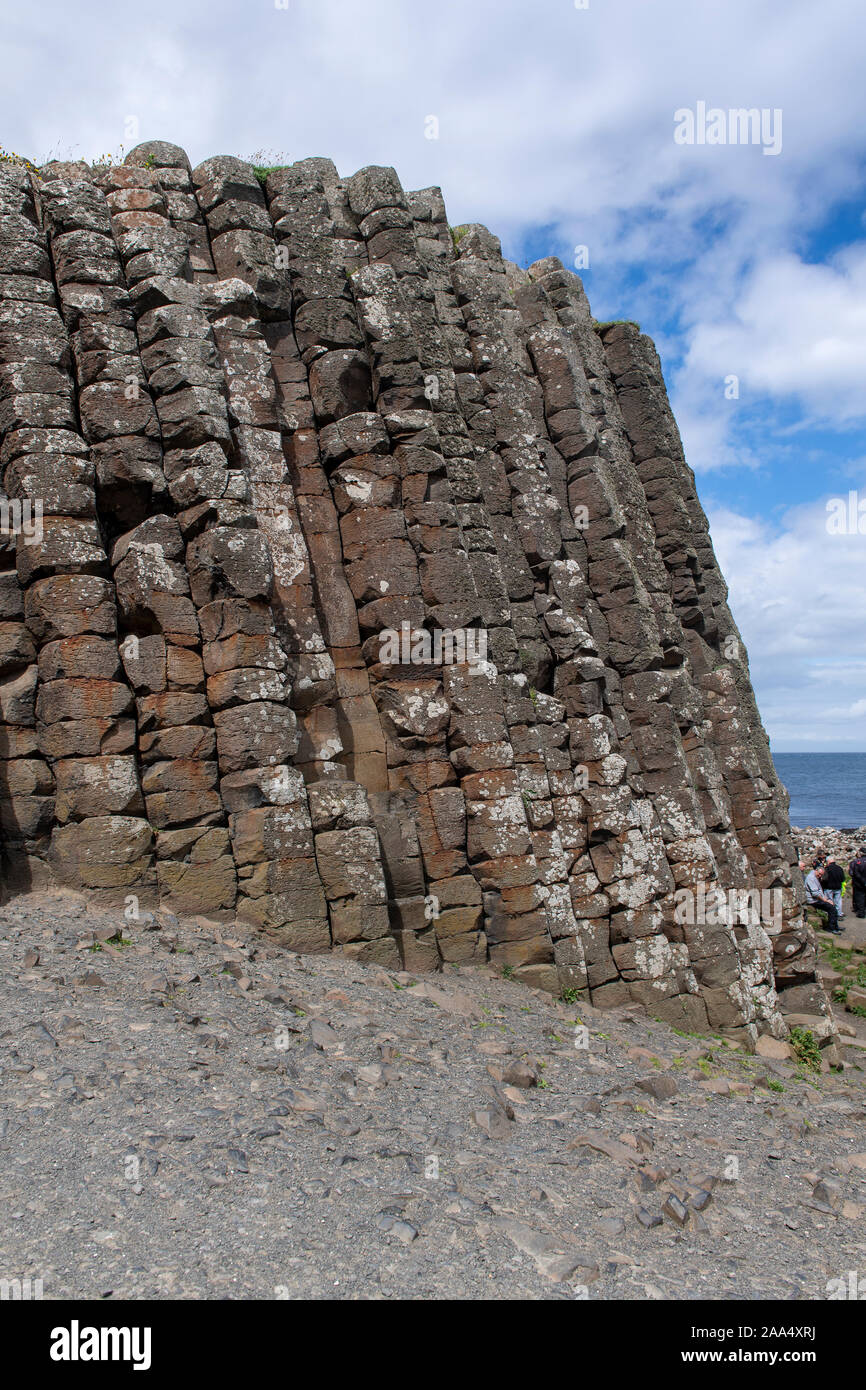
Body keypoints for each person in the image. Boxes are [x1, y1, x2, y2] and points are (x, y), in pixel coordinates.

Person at [804, 859, 842, 933]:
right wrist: (826, 900)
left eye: (821, 875)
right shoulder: (811, 878)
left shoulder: (814, 876)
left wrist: (827, 899)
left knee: (832, 906)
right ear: (816, 871)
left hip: (817, 899)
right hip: (813, 900)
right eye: (820, 874)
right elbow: (815, 893)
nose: (820, 876)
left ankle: (835, 926)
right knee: (831, 908)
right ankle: (831, 928)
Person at [821, 856, 845, 921]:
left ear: (828, 861)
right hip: (838, 887)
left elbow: (824, 879)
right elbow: (843, 878)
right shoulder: (839, 868)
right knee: (838, 902)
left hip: (829, 887)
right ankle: (839, 914)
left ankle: (831, 914)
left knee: (829, 901)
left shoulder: (827, 869)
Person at [850, 847, 866, 920]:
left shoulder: (856, 862)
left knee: (860, 897)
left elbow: (854, 873)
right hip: (861, 882)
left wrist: (863, 881)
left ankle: (861, 912)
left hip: (859, 883)